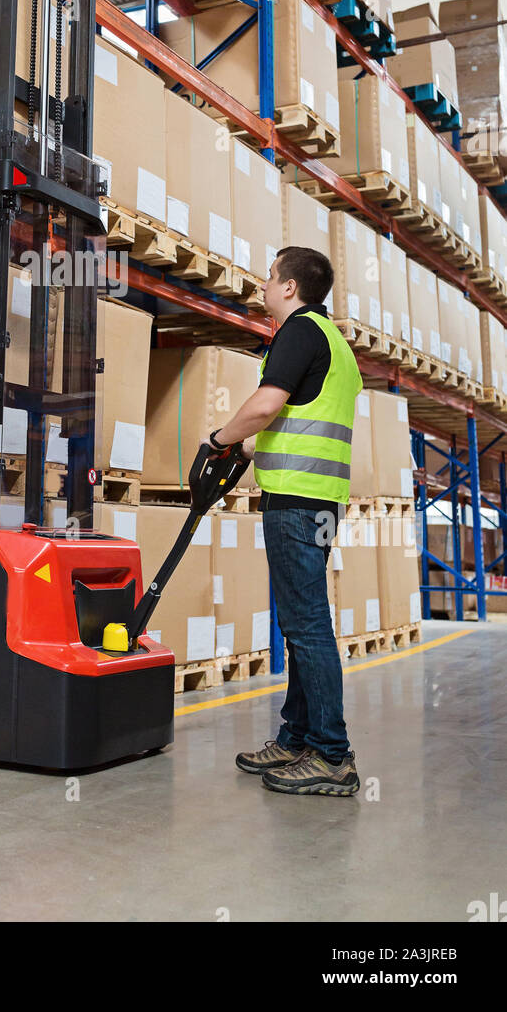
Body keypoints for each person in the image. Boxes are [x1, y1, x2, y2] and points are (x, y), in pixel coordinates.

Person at [211, 246, 362, 798]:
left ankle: (330, 754)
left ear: (291, 287)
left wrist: (218, 439)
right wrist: (251, 451)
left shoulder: (298, 332)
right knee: (302, 626)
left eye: (269, 280)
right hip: (319, 499)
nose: (263, 289)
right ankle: (298, 736)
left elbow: (266, 404)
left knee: (306, 627)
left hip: (296, 502)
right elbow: (301, 416)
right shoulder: (336, 344)